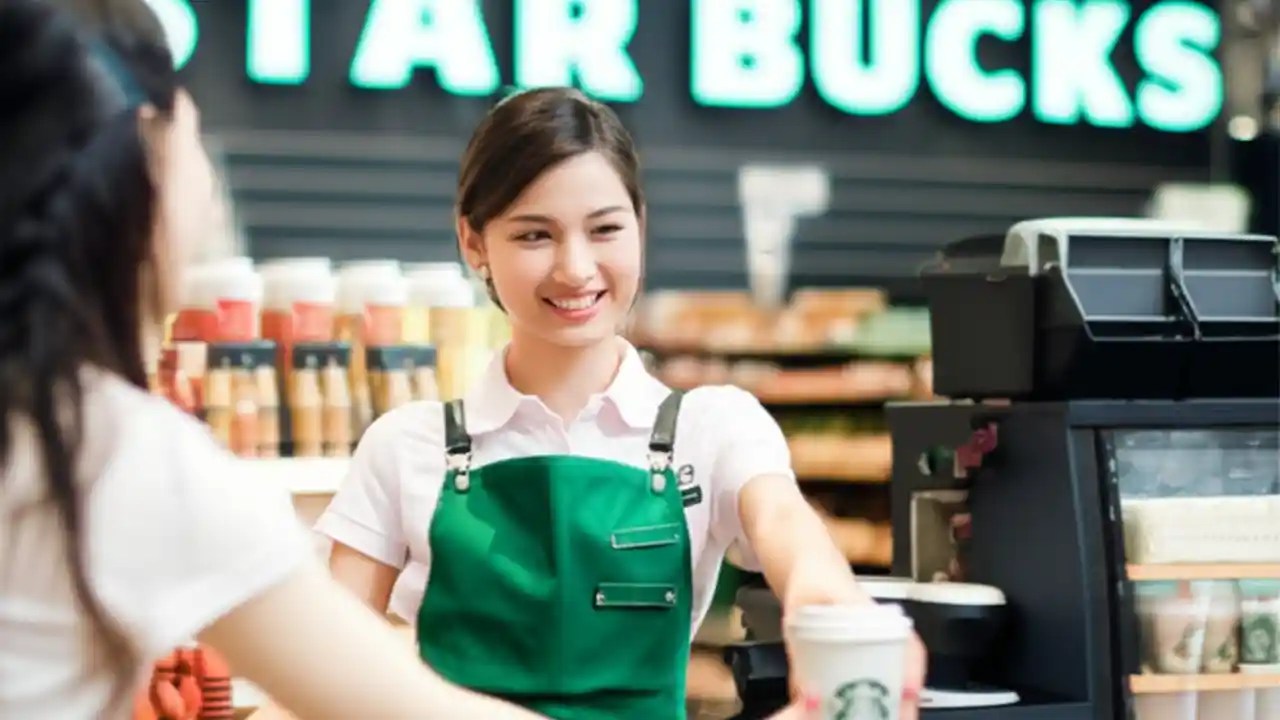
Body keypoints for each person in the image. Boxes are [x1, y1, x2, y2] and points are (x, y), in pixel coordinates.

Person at [0, 2, 752, 719]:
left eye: (604, 228)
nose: (574, 266)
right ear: (144, 163)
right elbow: (395, 705)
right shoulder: (127, 461)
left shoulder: (74, 441)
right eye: (195, 132)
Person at [305, 86, 927, 719]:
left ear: (641, 227)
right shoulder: (405, 447)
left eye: (604, 229)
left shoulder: (712, 430)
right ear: (473, 243)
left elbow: (789, 532)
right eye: (534, 235)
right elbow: (324, 670)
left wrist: (837, 623)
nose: (576, 269)